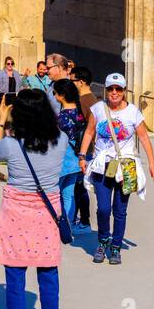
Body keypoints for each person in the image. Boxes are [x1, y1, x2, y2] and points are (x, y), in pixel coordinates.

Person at [0, 89, 69, 309]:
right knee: (48, 278)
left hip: (17, 214)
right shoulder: (62, 140)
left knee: (15, 278)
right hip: (47, 214)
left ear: (17, 113)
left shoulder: (11, 144)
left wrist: (2, 120)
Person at [80, 72, 154, 266]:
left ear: (124, 91)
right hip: (102, 165)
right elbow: (90, 131)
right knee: (103, 209)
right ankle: (103, 241)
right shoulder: (98, 108)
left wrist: (152, 163)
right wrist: (82, 156)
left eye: (118, 89)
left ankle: (115, 247)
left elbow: (143, 138)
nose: (114, 93)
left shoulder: (133, 112)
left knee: (120, 210)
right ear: (106, 90)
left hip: (127, 165)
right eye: (110, 89)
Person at [52, 78, 89, 231]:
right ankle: (68, 226)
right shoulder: (80, 114)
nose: (53, 96)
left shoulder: (61, 118)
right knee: (69, 195)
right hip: (76, 159)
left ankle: (56, 226)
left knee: (56, 195)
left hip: (61, 160)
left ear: (61, 95)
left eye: (54, 93)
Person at [69, 66, 98, 226]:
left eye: (72, 80)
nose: (71, 83)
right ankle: (83, 219)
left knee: (79, 186)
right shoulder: (91, 98)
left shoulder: (84, 100)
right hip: (86, 149)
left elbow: (91, 128)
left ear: (80, 82)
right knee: (80, 186)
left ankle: (83, 220)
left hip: (83, 150)